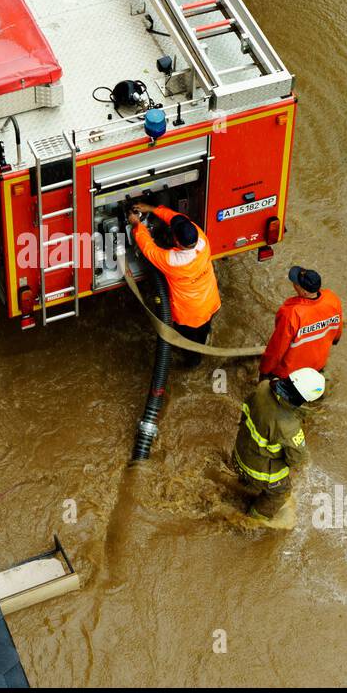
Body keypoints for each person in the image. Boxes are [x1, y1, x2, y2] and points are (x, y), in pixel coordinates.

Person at [128, 202, 220, 366]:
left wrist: (136, 224)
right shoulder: (202, 239)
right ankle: (202, 347)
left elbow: (148, 248)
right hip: (209, 303)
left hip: (188, 316)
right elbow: (179, 219)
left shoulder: (172, 261)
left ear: (177, 241)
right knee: (203, 333)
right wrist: (152, 208)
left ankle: (193, 363)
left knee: (189, 346)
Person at [231, 368, 324, 529]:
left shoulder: (263, 387)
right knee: (281, 492)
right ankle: (253, 520)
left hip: (239, 453)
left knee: (248, 478)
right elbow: (296, 459)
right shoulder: (288, 427)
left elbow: (245, 410)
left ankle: (245, 483)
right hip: (257, 471)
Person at [260, 265, 343, 384]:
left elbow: (277, 349)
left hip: (290, 373)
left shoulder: (291, 313)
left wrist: (265, 371)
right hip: (318, 365)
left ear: (303, 291)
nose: (293, 284)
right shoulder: (332, 299)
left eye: (296, 283)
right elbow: (337, 334)